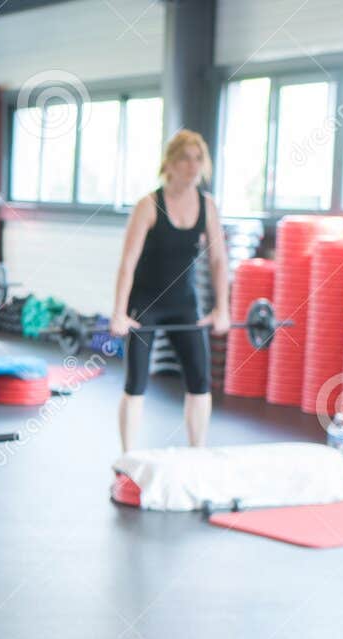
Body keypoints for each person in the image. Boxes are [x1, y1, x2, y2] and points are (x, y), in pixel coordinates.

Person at [109, 129, 230, 452]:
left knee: (200, 382)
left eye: (198, 158)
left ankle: (197, 453)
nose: (192, 165)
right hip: (145, 303)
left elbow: (219, 260)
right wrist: (119, 313)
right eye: (185, 158)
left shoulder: (208, 206)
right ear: (170, 164)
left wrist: (223, 309)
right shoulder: (148, 205)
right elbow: (127, 264)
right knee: (136, 385)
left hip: (185, 304)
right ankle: (128, 459)